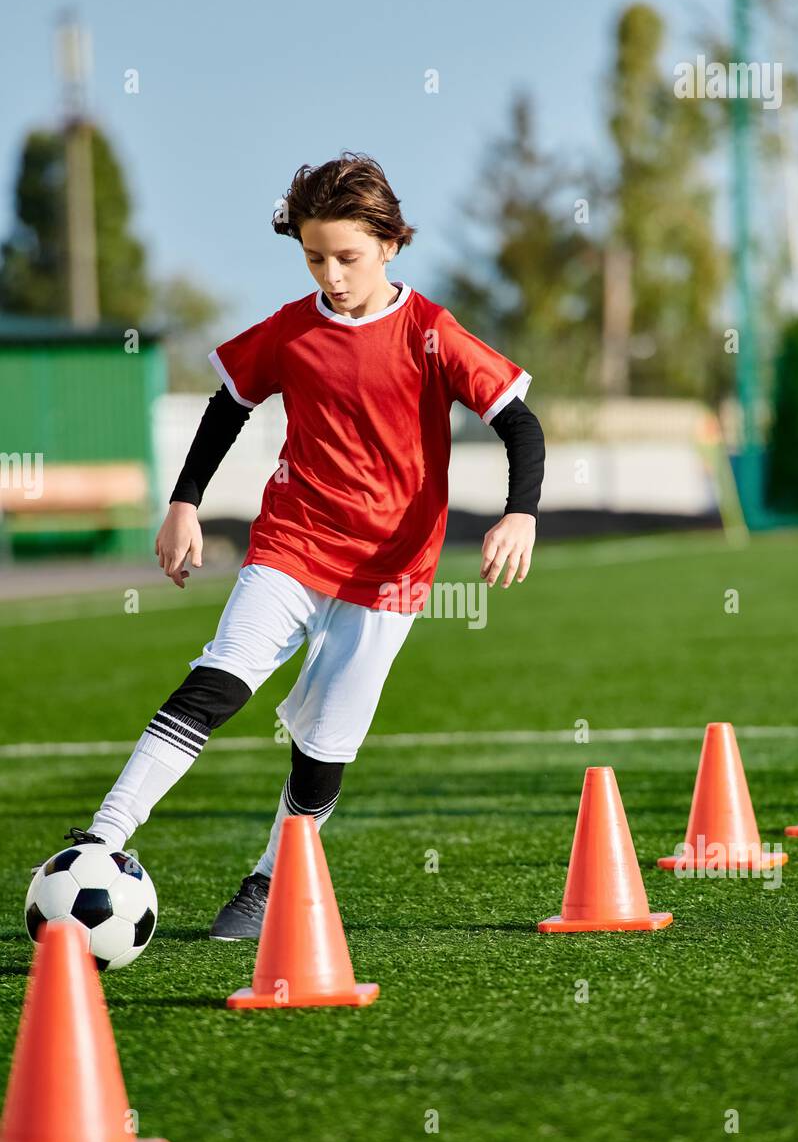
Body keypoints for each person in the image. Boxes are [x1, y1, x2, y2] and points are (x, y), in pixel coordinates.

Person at [47, 151, 545, 939]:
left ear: (390, 244)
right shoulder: (291, 329)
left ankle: (271, 879)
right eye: (316, 257)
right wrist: (183, 504)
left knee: (322, 746)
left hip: (390, 573)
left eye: (347, 257)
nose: (333, 275)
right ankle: (102, 839)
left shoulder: (430, 333)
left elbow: (519, 420)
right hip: (291, 544)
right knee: (218, 681)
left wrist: (520, 513)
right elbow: (227, 404)